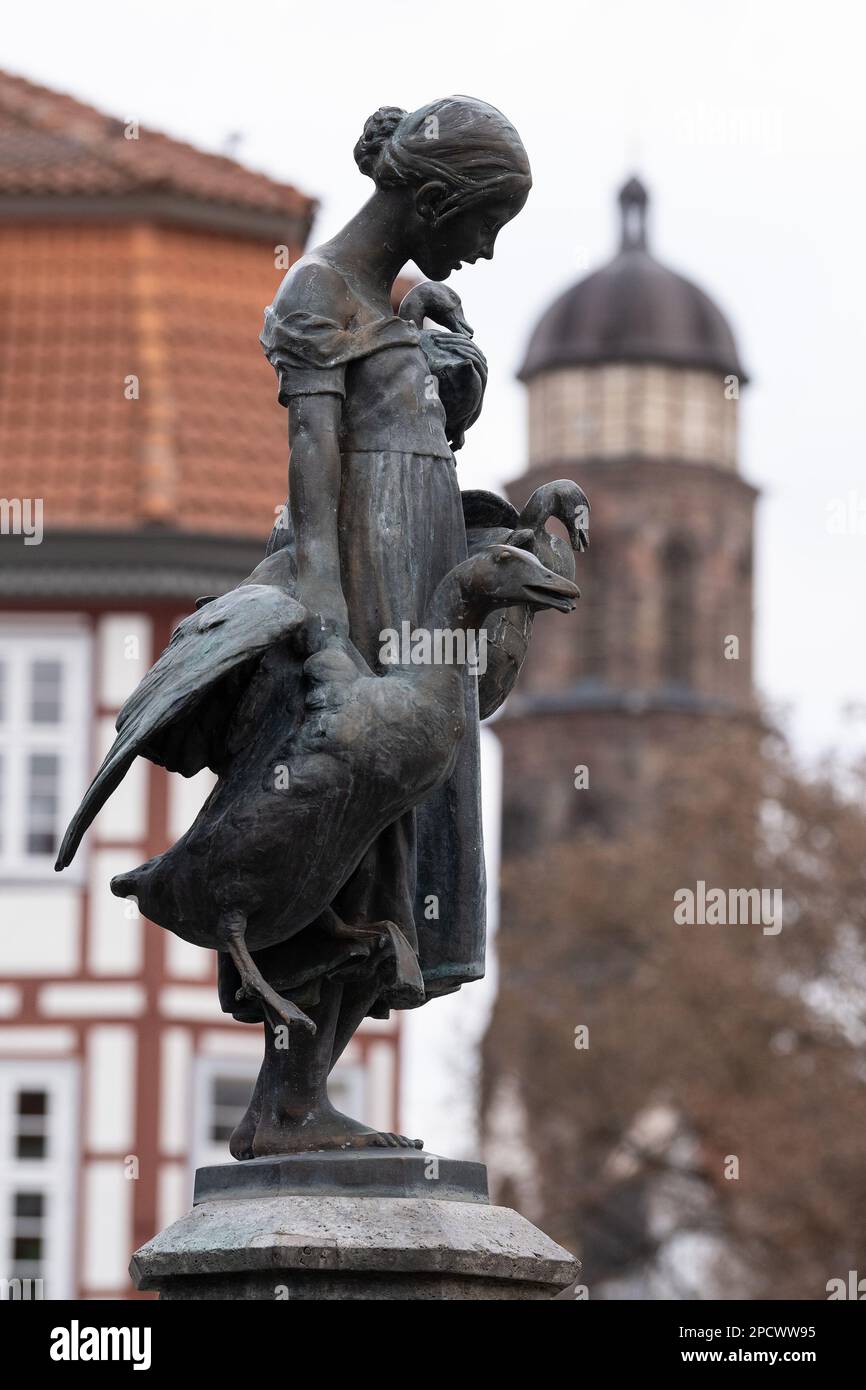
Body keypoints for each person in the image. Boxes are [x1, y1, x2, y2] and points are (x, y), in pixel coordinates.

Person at [222, 96, 532, 1155]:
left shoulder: (399, 297)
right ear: (435, 199)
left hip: (427, 588)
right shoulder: (317, 297)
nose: (486, 251)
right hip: (371, 600)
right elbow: (313, 496)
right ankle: (289, 1101)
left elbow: (419, 439)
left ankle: (298, 1098)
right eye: (484, 223)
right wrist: (328, 641)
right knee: (351, 854)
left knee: (413, 852)